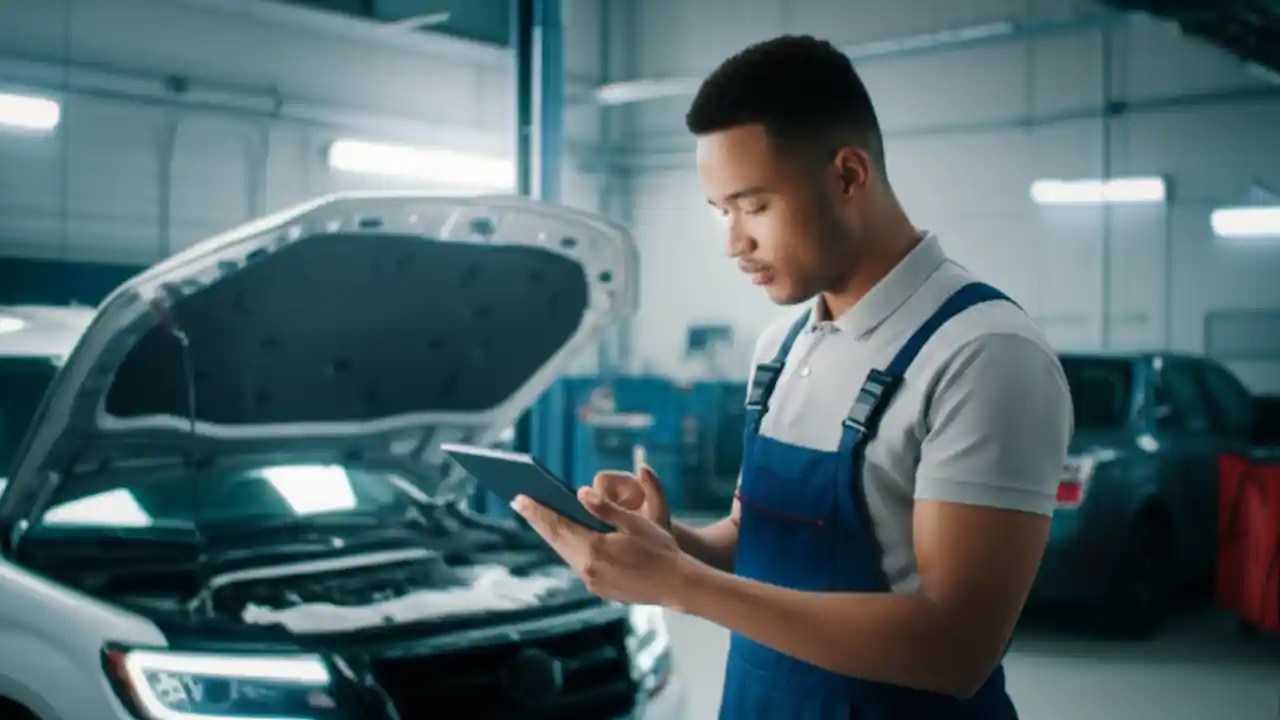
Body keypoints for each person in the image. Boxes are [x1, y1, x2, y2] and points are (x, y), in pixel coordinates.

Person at [512, 34, 1073, 719]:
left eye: (754, 206)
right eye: (721, 212)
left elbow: (955, 648)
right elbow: (753, 540)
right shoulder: (780, 347)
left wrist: (681, 584)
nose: (734, 243)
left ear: (848, 176)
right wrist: (670, 545)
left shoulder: (984, 354)